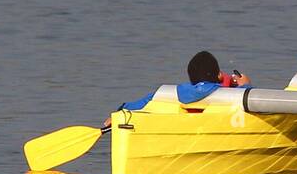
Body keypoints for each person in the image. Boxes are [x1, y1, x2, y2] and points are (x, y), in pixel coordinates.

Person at [102, 51, 249, 128]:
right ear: (218, 75)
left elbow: (145, 101)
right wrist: (245, 85)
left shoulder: (177, 92)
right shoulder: (229, 94)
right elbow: (248, 101)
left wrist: (119, 112)